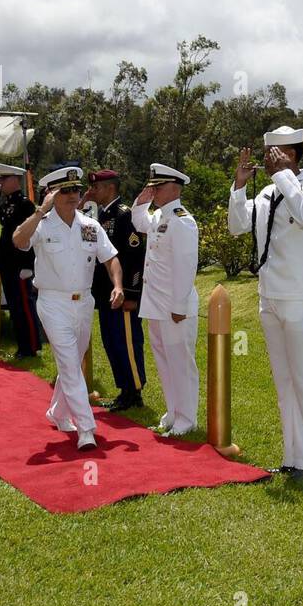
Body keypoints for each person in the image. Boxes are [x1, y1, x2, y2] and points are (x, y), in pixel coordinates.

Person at [229, 126, 303, 481]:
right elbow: (237, 225)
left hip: (299, 296)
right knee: (284, 381)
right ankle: (294, 456)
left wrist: (285, 177)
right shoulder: (269, 192)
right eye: (267, 154)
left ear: (292, 154)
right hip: (270, 295)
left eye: (276, 153)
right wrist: (240, 186)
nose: (269, 159)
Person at [12, 166, 125, 451]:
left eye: (76, 189)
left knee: (71, 362)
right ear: (52, 194)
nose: (74, 195)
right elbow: (18, 240)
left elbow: (111, 258)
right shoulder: (42, 224)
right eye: (66, 191)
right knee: (70, 363)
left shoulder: (90, 225)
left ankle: (58, 413)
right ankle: (86, 429)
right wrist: (40, 211)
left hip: (84, 302)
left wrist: (118, 285)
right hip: (52, 302)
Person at [132, 164, 199, 435]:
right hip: (156, 305)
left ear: (174, 188)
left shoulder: (182, 220)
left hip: (174, 306)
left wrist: (179, 306)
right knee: (164, 361)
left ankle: (187, 419)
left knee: (181, 363)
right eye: (153, 186)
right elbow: (138, 221)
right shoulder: (160, 215)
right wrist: (142, 199)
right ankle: (172, 413)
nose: (154, 191)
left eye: (158, 187)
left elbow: (186, 266)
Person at [85, 169, 147, 411]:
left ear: (110, 188)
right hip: (105, 294)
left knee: (127, 343)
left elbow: (134, 258)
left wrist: (132, 294)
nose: (93, 192)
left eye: (96, 188)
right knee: (111, 342)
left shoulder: (123, 215)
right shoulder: (101, 215)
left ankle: (134, 391)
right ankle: (124, 390)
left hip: (122, 296)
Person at [0, 164, 43, 357]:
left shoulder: (25, 205)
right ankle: (22, 346)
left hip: (19, 264)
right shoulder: (9, 202)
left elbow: (29, 235)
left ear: (15, 180)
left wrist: (27, 265)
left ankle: (31, 346)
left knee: (24, 306)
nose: (0, 183)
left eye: (3, 180)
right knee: (15, 306)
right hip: (8, 262)